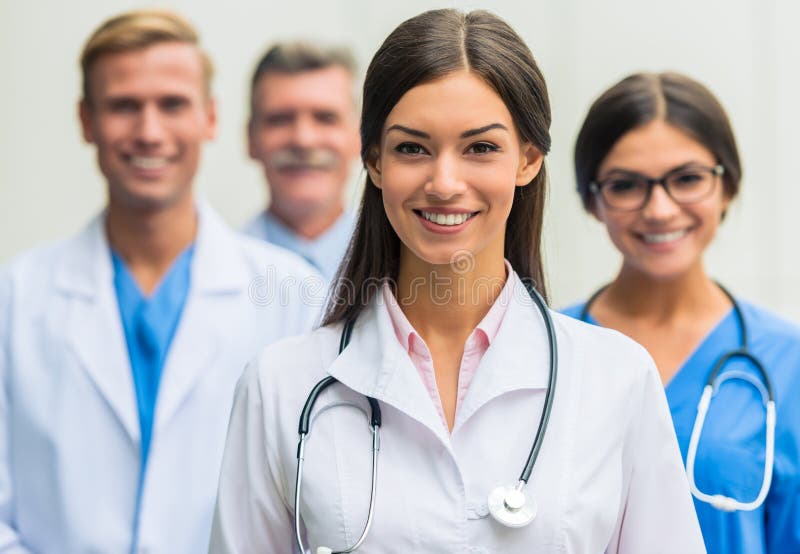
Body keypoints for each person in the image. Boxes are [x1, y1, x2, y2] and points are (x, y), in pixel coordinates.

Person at [209, 9, 705, 553]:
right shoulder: (280, 386)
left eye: (481, 148)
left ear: (529, 159)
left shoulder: (619, 381)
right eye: (411, 148)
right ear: (374, 161)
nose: (444, 182)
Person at [0, 10, 322, 553]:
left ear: (210, 118)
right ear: (86, 121)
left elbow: (312, 502)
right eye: (124, 106)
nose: (149, 132)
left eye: (172, 104)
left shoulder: (293, 295)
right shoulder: (16, 297)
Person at [563, 72, 800, 553]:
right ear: (592, 200)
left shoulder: (789, 362)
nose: (660, 209)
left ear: (727, 185)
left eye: (687, 179)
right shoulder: (546, 353)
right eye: (626, 185)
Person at [243, 41, 361, 280]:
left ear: (360, 136)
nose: (303, 140)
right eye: (280, 120)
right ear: (251, 139)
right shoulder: (220, 266)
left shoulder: (404, 269)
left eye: (325, 118)